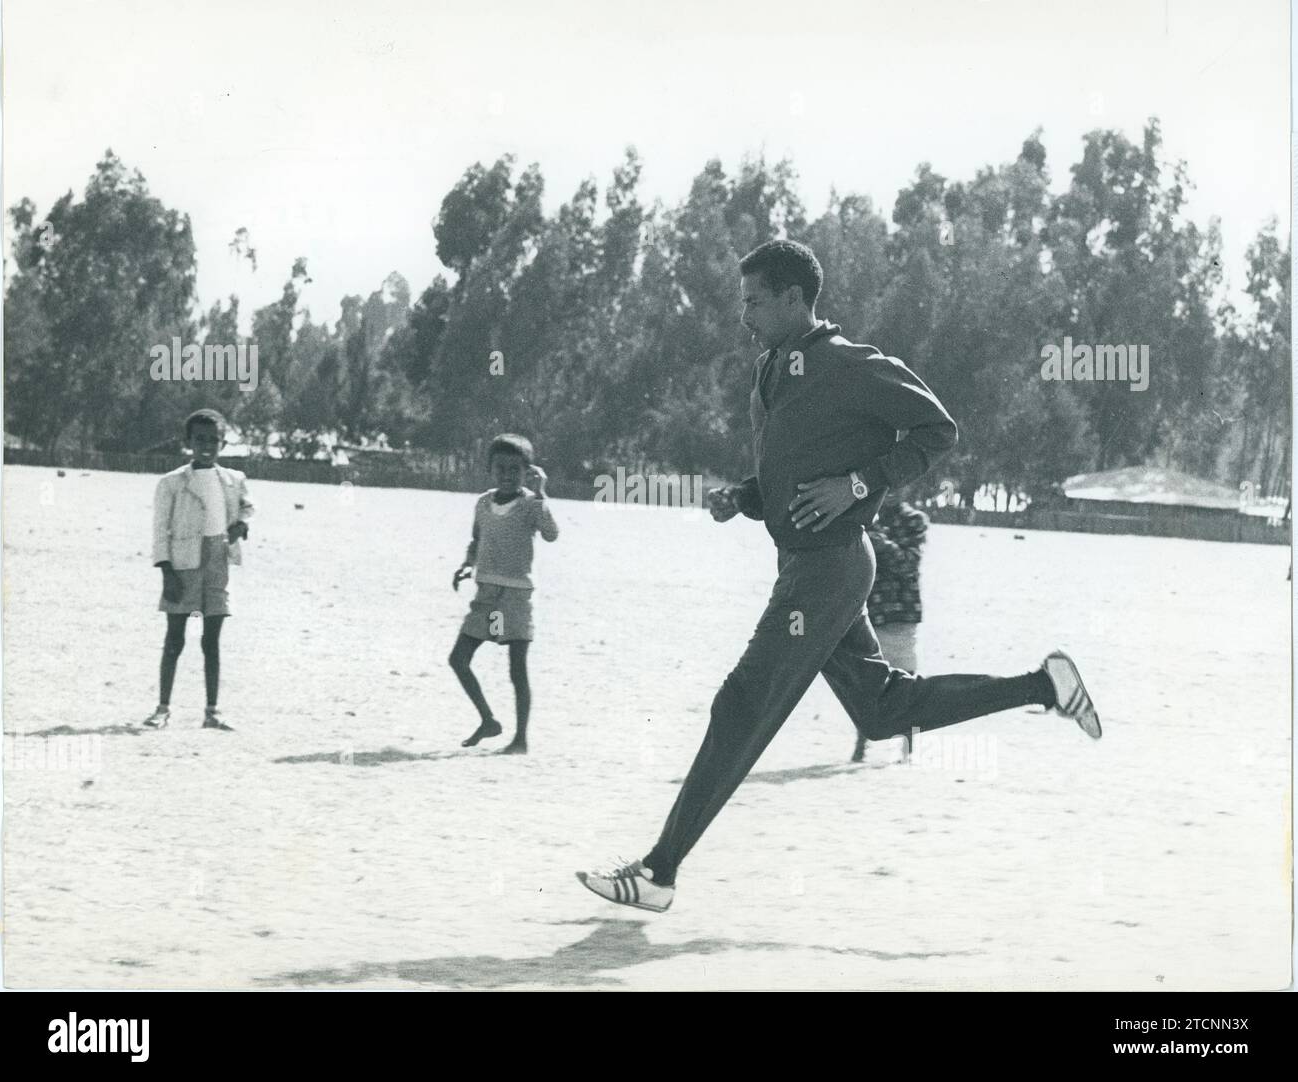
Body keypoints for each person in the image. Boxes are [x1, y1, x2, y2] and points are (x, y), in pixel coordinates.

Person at [577, 240, 1101, 913]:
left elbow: (937, 431)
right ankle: (1046, 684)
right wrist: (747, 496)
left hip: (829, 569)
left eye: (756, 302)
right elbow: (793, 468)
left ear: (796, 298)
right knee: (882, 712)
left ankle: (658, 872)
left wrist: (856, 483)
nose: (745, 317)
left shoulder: (846, 363)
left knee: (739, 706)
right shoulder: (770, 370)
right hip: (809, 567)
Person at [143, 409, 254, 731]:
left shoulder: (234, 479)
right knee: (175, 638)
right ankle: (162, 709)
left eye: (213, 440)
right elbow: (159, 530)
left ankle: (212, 711)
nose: (206, 446)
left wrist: (241, 525)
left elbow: (248, 506)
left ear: (222, 442)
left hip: (218, 562)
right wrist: (167, 572)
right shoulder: (172, 483)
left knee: (212, 640)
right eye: (199, 439)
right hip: (182, 564)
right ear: (188, 442)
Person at [450, 434, 559, 755]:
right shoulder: (483, 503)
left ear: (528, 471)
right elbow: (477, 540)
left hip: (516, 599)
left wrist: (541, 495)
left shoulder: (529, 504)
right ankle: (488, 720)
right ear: (490, 469)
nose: (508, 474)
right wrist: (467, 565)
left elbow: (551, 534)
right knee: (458, 659)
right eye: (501, 468)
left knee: (516, 670)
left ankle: (520, 739)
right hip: (486, 597)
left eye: (516, 469)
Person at [852, 492, 928, 762]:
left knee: (904, 681)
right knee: (869, 681)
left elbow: (909, 563)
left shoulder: (913, 520)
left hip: (900, 612)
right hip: (872, 610)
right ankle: (861, 747)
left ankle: (907, 750)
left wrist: (879, 543)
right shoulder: (866, 517)